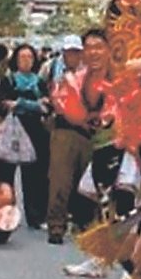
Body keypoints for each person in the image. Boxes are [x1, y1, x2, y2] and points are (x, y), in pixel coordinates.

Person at [47, 27, 113, 250]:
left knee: (91, 183)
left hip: (96, 136)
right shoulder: (69, 79)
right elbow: (61, 103)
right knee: (61, 180)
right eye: (88, 48)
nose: (92, 52)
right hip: (66, 132)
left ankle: (88, 225)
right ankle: (57, 226)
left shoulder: (114, 77)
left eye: (98, 47)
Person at [0, 42, 50, 228]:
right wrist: (34, 105)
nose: (26, 60)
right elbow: (2, 104)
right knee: (5, 176)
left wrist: (20, 104)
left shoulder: (40, 82)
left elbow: (47, 107)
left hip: (35, 132)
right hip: (11, 131)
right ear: (15, 59)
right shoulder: (8, 80)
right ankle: (4, 215)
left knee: (35, 177)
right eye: (22, 57)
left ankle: (35, 216)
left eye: (30, 57)